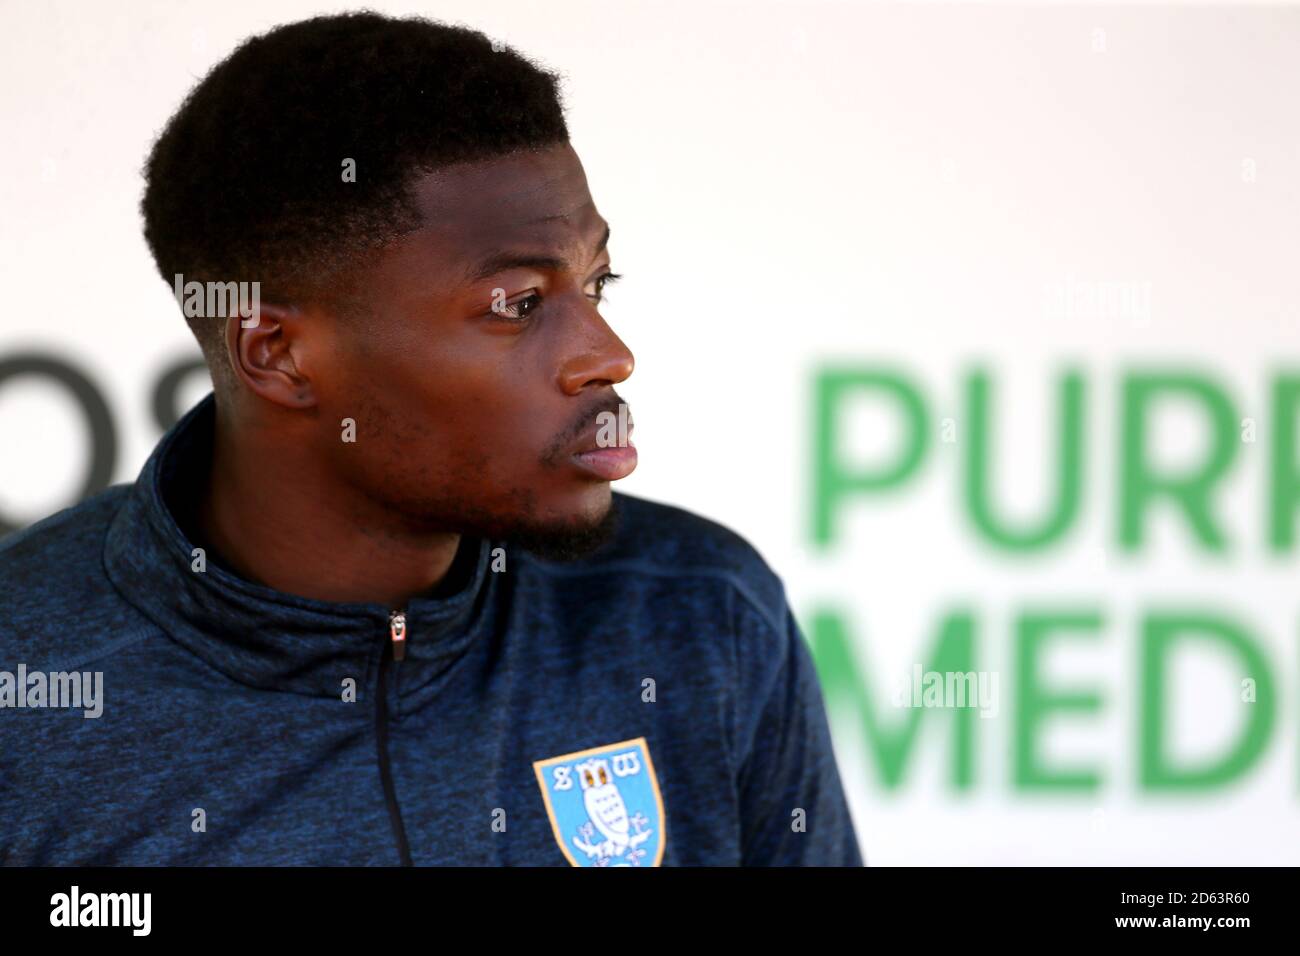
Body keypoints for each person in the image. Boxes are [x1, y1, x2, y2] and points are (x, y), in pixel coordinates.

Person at [0, 11, 862, 866]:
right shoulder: (25, 682)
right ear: (277, 354)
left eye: (600, 283)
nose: (609, 355)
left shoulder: (700, 612)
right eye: (518, 304)